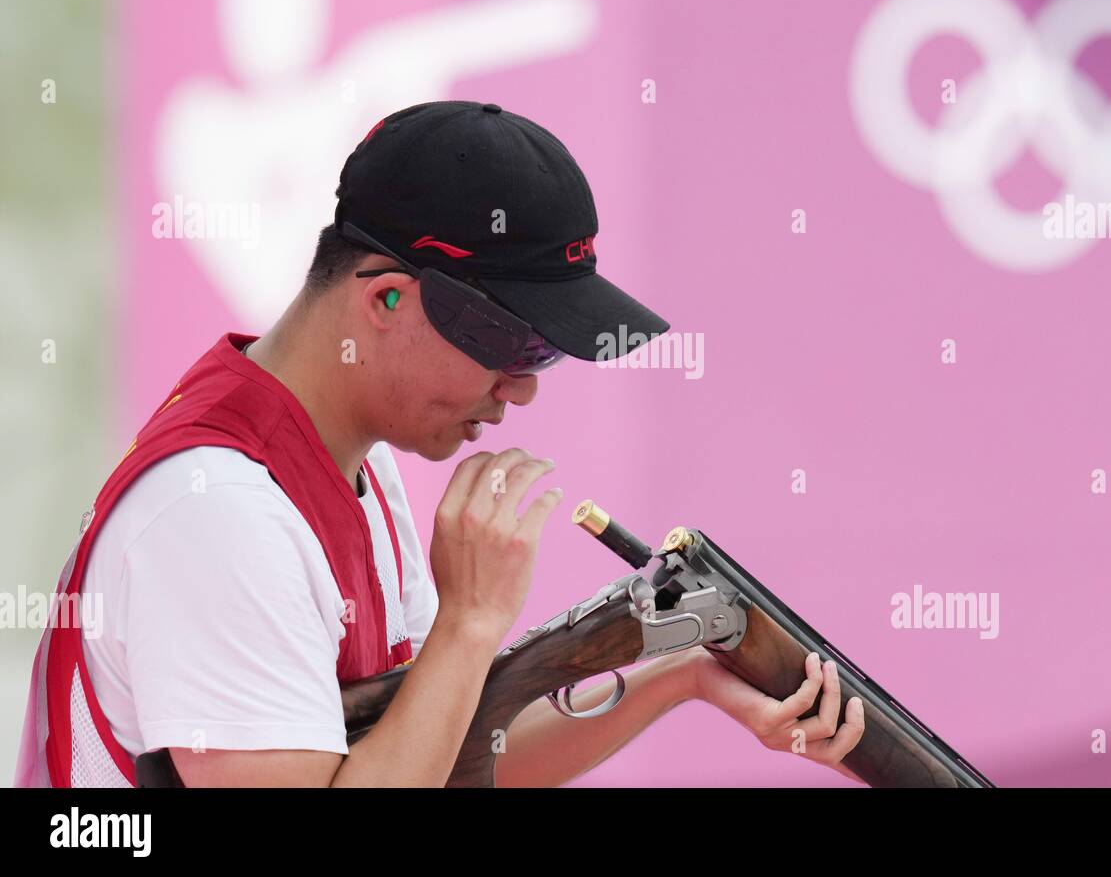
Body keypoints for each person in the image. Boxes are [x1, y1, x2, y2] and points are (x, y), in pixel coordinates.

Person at [15, 101, 865, 787]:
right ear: (386, 300)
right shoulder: (221, 515)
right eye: (516, 343)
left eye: (547, 352)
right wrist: (468, 624)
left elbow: (439, 756)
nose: (523, 385)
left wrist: (682, 674)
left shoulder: (356, 463)